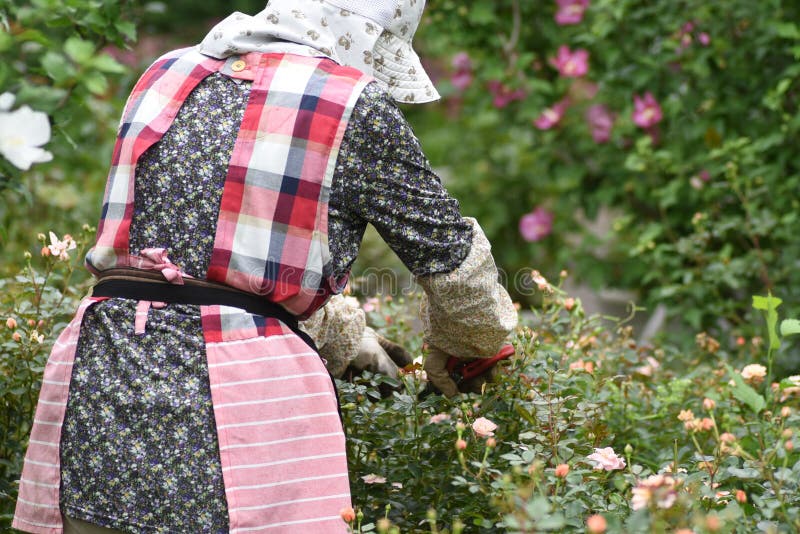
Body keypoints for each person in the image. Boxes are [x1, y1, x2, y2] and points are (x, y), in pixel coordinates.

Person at [13, 0, 517, 532]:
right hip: (237, 398)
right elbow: (454, 263)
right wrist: (470, 350)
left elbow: (204, 260)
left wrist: (349, 339)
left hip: (100, 377)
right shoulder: (352, 104)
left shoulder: (166, 72)